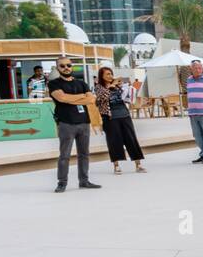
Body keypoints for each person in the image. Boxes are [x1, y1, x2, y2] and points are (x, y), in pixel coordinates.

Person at [48, 56, 100, 193]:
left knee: (84, 154)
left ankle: (84, 181)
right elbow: (62, 98)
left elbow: (91, 99)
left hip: (84, 122)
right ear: (57, 68)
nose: (66, 68)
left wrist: (71, 99)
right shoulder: (54, 84)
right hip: (66, 123)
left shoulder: (81, 83)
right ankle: (62, 183)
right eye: (62, 66)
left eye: (68, 65)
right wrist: (82, 98)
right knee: (64, 155)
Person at [94, 66, 146, 174]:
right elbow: (100, 99)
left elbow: (126, 98)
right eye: (107, 74)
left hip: (124, 115)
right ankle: (116, 166)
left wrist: (127, 89)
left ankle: (138, 164)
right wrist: (110, 87)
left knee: (131, 139)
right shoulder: (99, 87)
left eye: (111, 74)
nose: (110, 76)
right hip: (110, 117)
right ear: (101, 76)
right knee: (114, 141)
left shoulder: (117, 85)